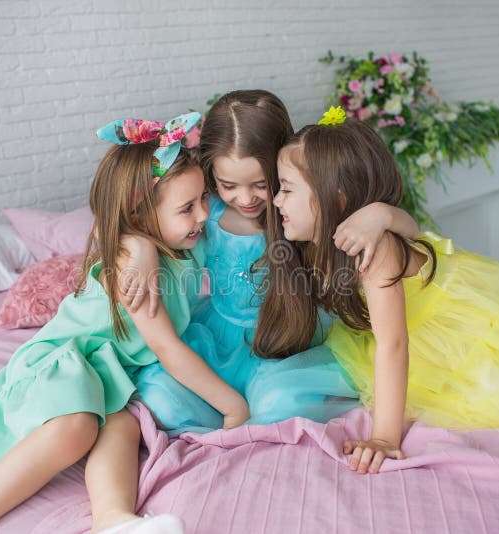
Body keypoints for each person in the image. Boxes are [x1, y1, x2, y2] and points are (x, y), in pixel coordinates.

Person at [253, 108, 499, 475]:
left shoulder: (377, 252)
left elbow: (393, 344)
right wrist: (384, 213)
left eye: (287, 189)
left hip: (444, 328)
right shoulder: (319, 240)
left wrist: (384, 438)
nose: (277, 200)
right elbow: (410, 227)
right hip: (383, 328)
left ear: (337, 199)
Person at [0, 113, 248, 534]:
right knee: (77, 427)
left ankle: (113, 520)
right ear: (140, 215)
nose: (201, 215)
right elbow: (168, 350)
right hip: (60, 365)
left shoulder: (180, 240)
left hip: (108, 376)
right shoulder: (133, 266)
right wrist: (234, 406)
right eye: (187, 208)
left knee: (121, 425)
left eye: (203, 200)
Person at [121, 90, 419, 433]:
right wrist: (139, 245)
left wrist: (381, 214)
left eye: (262, 184)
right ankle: (229, 409)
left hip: (287, 338)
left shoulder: (301, 217)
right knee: (158, 394)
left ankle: (248, 409)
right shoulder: (206, 211)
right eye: (228, 185)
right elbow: (115, 221)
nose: (245, 198)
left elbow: (412, 239)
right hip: (219, 337)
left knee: (277, 403)